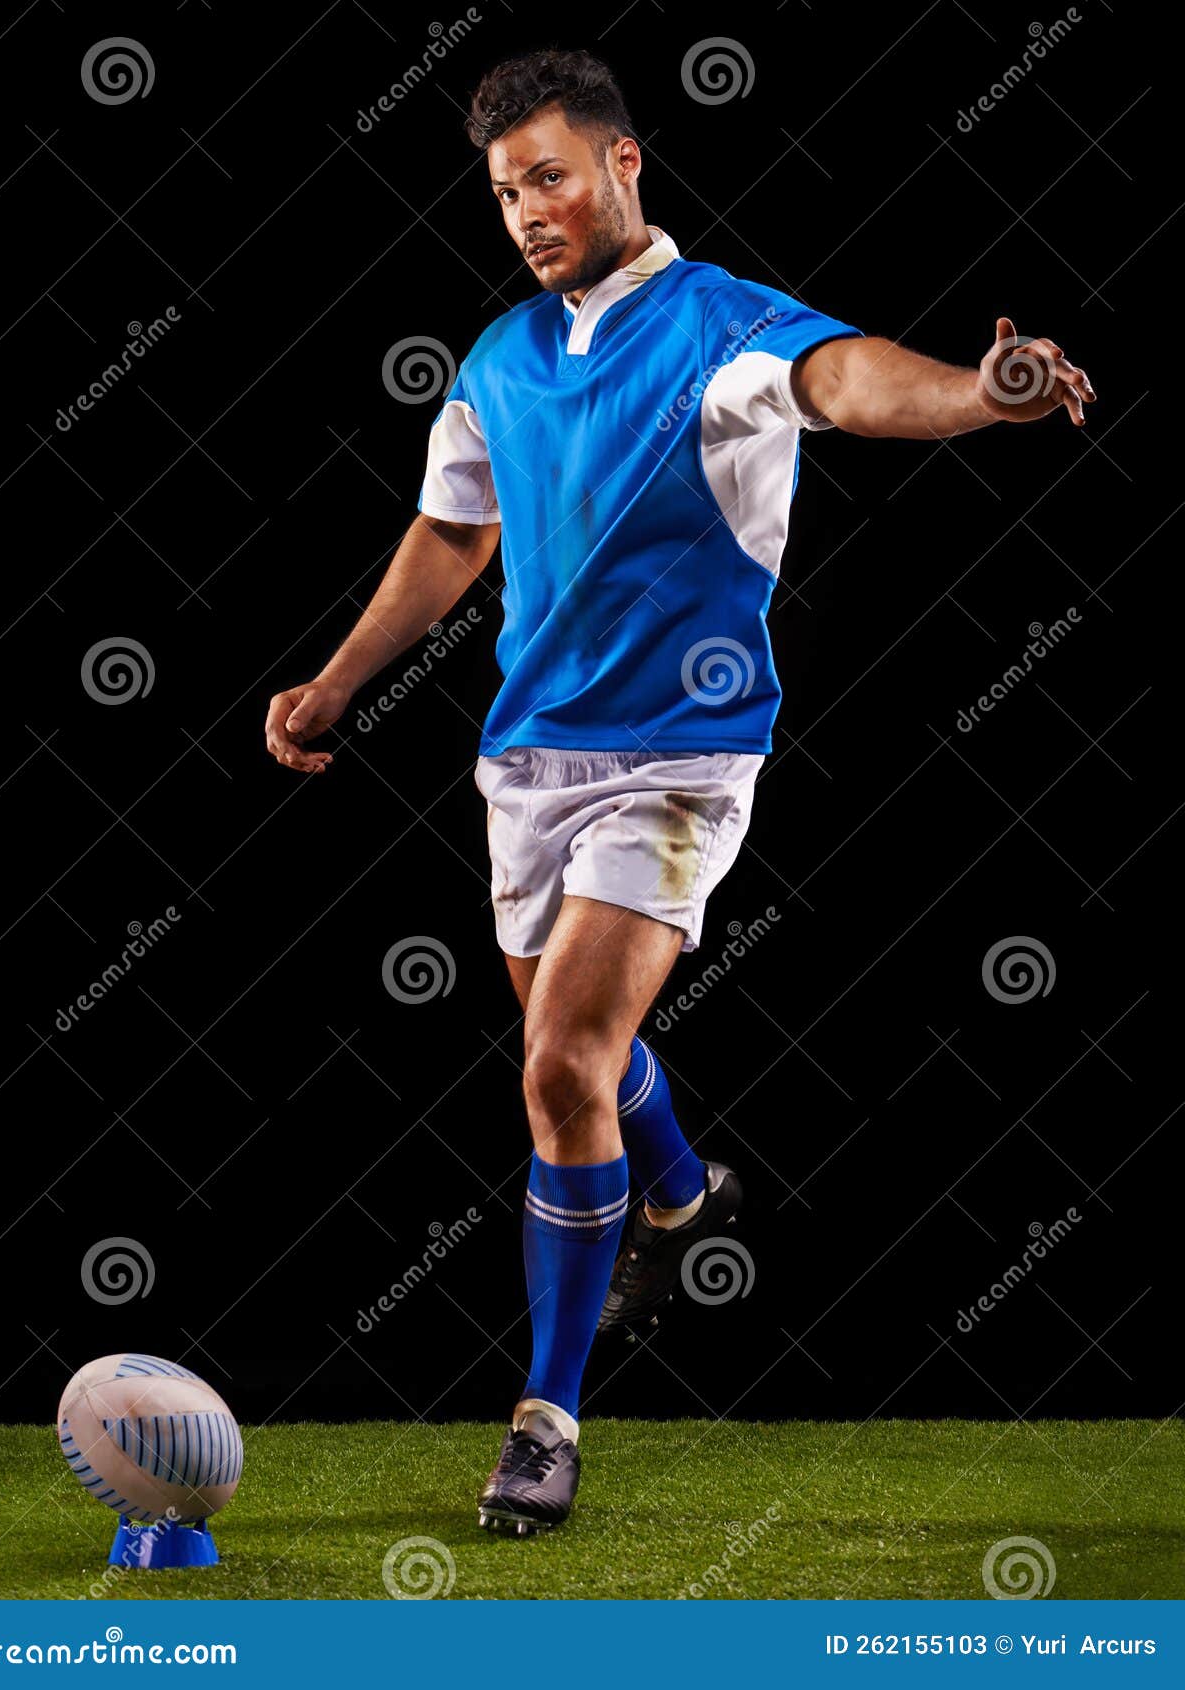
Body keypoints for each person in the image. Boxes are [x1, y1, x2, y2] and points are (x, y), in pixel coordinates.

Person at [264, 47, 1095, 1536]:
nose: (527, 207)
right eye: (507, 187)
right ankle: (681, 1185)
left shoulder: (723, 329)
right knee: (567, 1054)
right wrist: (333, 685)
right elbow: (453, 536)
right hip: (528, 759)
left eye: (552, 176)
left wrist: (983, 391)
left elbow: (850, 379)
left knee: (559, 1064)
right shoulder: (502, 357)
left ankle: (546, 1415)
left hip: (680, 758)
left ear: (626, 164)